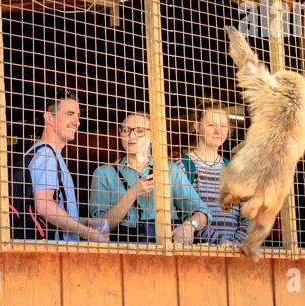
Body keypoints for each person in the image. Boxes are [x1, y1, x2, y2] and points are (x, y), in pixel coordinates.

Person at [89, 111, 209, 243]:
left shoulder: (169, 170)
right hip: (123, 249)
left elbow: (203, 213)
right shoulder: (103, 173)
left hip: (164, 249)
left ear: (153, 135)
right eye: (125, 130)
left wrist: (190, 226)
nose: (131, 136)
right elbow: (99, 228)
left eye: (139, 131)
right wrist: (132, 194)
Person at [27, 93, 110, 242]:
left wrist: (83, 223)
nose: (76, 122)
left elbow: (54, 210)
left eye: (78, 115)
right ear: (49, 118)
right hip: (55, 254)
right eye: (70, 114)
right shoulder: (46, 155)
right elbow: (44, 207)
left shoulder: (50, 154)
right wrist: (89, 234)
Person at [178, 99, 249, 246]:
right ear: (197, 127)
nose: (218, 131)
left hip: (235, 254)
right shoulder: (183, 166)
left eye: (223, 126)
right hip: (199, 253)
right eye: (211, 125)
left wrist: (236, 244)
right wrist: (221, 244)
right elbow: (184, 213)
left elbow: (248, 214)